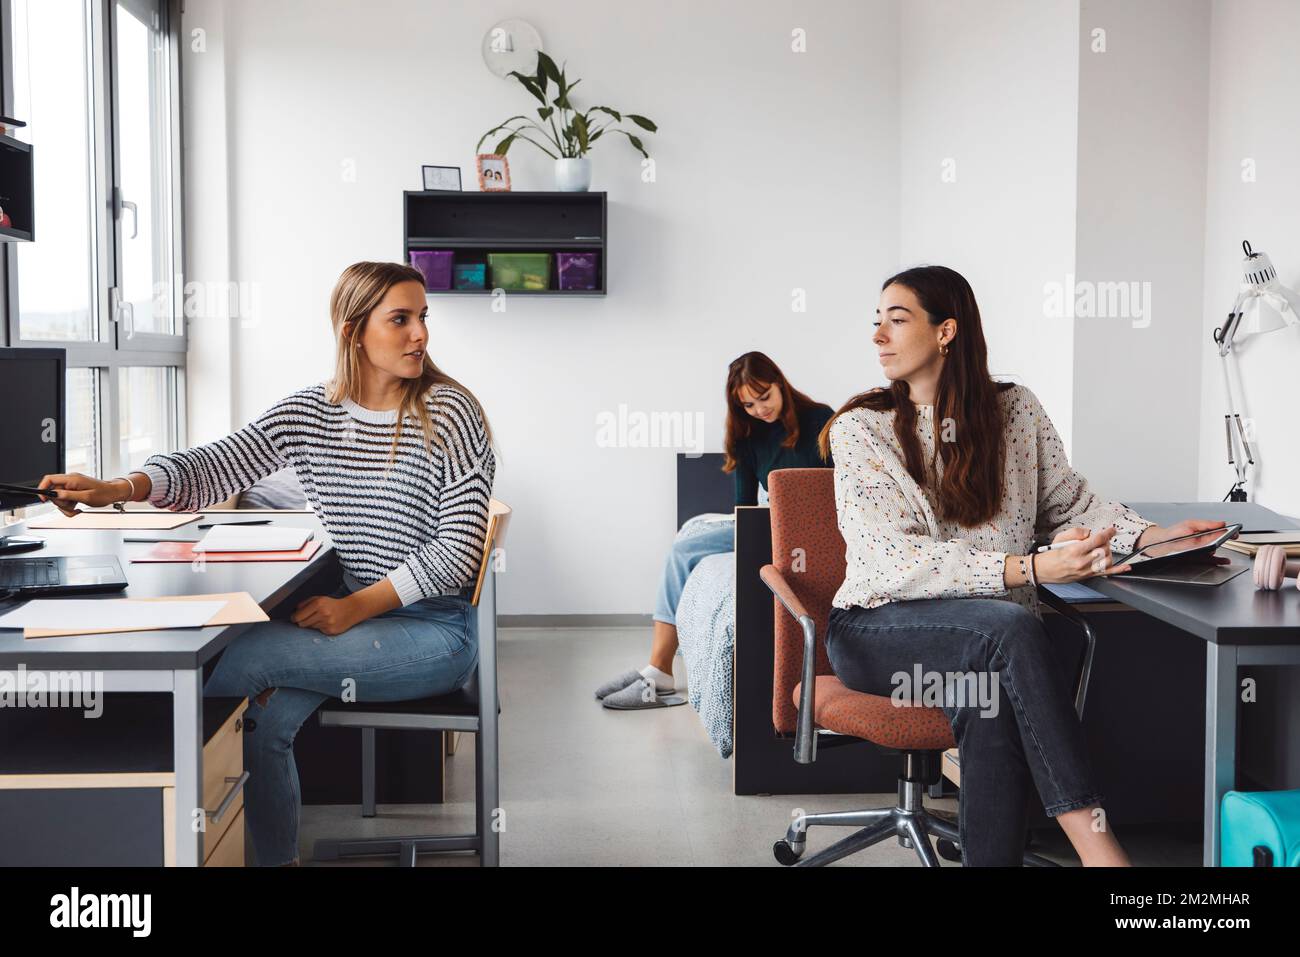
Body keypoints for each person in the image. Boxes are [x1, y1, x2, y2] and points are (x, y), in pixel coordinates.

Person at [37, 261, 496, 866]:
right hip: (361, 622)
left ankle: (167, 828)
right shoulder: (310, 413)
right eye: (401, 319)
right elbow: (213, 466)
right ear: (353, 331)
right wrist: (118, 487)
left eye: (422, 317)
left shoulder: (450, 413)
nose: (420, 334)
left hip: (434, 633)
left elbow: (457, 551)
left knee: (243, 659)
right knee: (259, 723)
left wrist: (354, 608)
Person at [820, 265, 1224, 866]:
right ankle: (1100, 851)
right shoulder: (861, 429)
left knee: (989, 696)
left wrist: (1154, 536)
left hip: (986, 643)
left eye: (896, 320)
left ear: (946, 331)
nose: (878, 335)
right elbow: (891, 560)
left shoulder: (1015, 411)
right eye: (876, 321)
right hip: (879, 630)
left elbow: (1069, 501)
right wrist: (1030, 570)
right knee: (1007, 629)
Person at [596, 350, 834, 710]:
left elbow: (839, 486)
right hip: (768, 522)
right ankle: (659, 668)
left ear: (780, 384)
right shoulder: (747, 436)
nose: (759, 409)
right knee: (684, 548)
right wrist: (751, 534)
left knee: (692, 548)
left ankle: (658, 674)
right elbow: (744, 506)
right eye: (748, 405)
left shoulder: (820, 419)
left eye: (764, 397)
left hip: (813, 525)